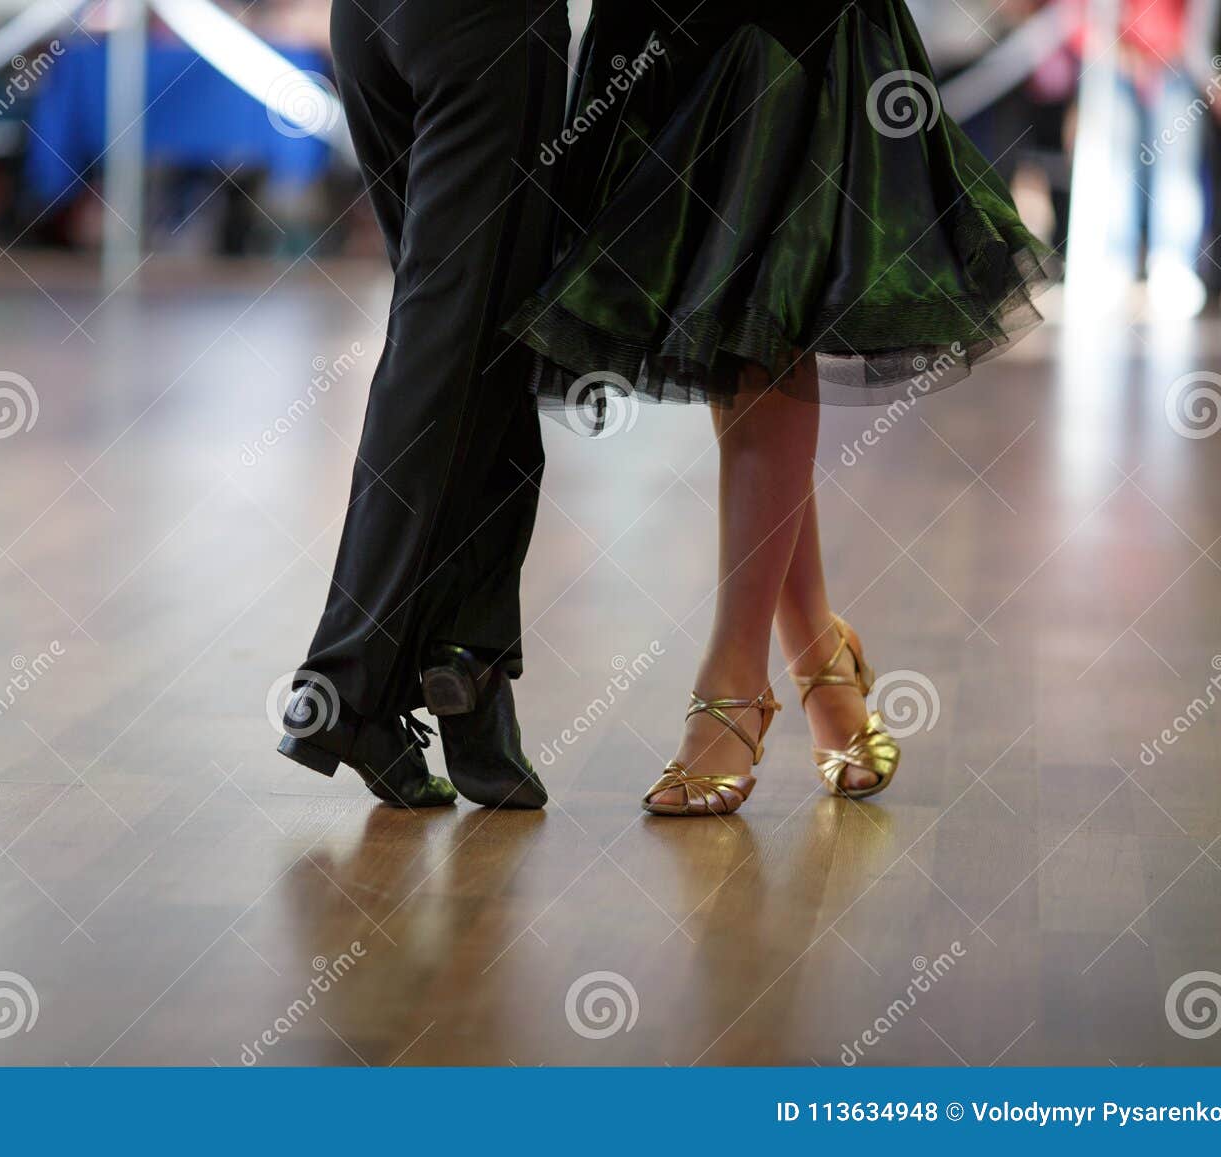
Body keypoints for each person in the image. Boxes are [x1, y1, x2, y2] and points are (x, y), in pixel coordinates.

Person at [505, 0, 1057, 816]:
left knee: (770, 314)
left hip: (797, 26)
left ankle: (734, 678)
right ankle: (820, 657)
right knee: (732, 318)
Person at [276, 0, 568, 809]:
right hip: (484, 33)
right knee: (455, 343)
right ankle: (341, 681)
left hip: (368, 25)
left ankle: (469, 674)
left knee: (473, 341)